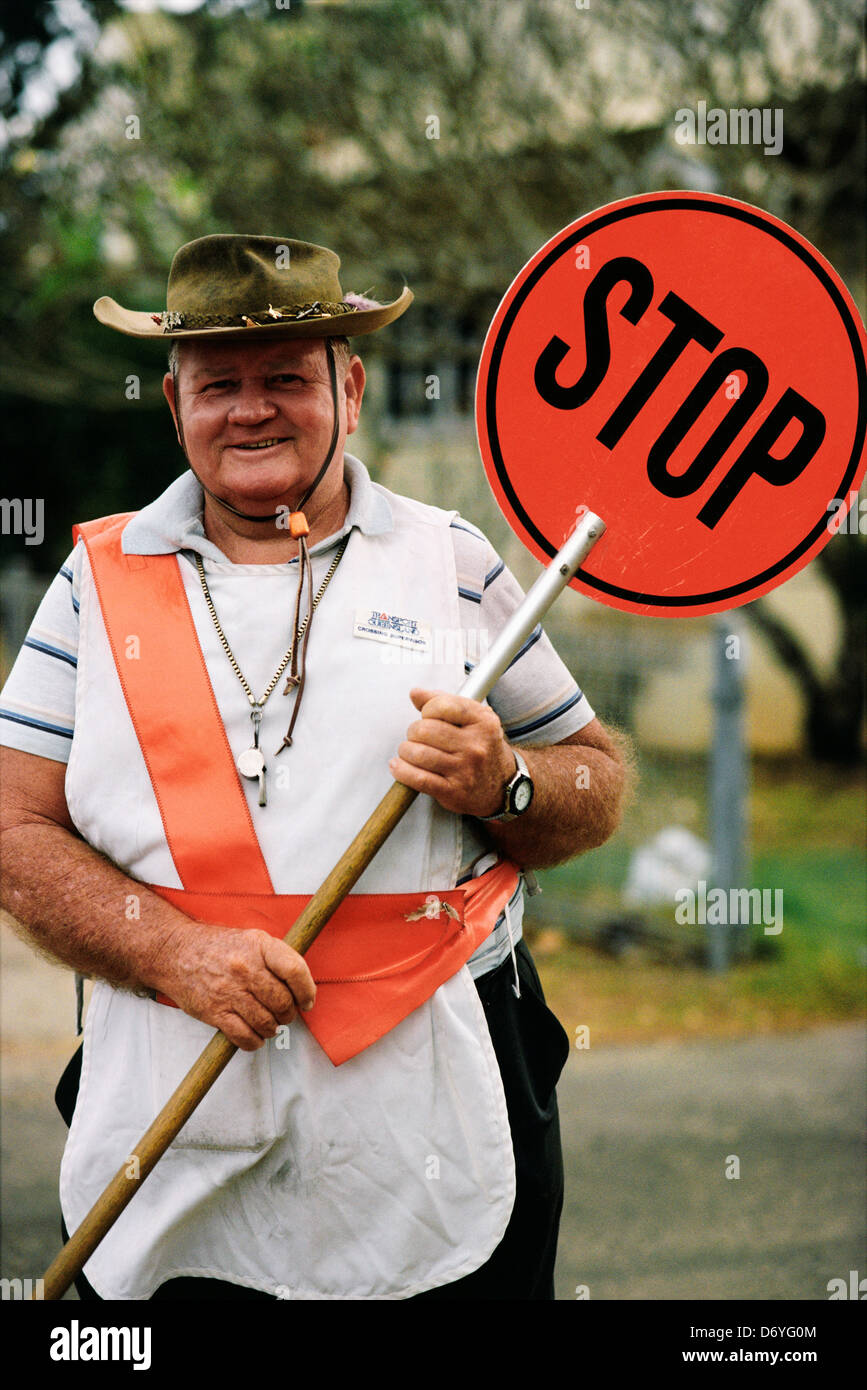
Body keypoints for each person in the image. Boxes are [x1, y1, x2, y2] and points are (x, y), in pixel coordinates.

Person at [0, 234, 628, 1301]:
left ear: (349, 384)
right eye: (219, 385)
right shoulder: (92, 580)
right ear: (173, 402)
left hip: (434, 1132)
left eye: (287, 377)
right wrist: (179, 954)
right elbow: (13, 833)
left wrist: (502, 783)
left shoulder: (450, 560)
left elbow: (594, 781)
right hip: (169, 1120)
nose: (251, 410)